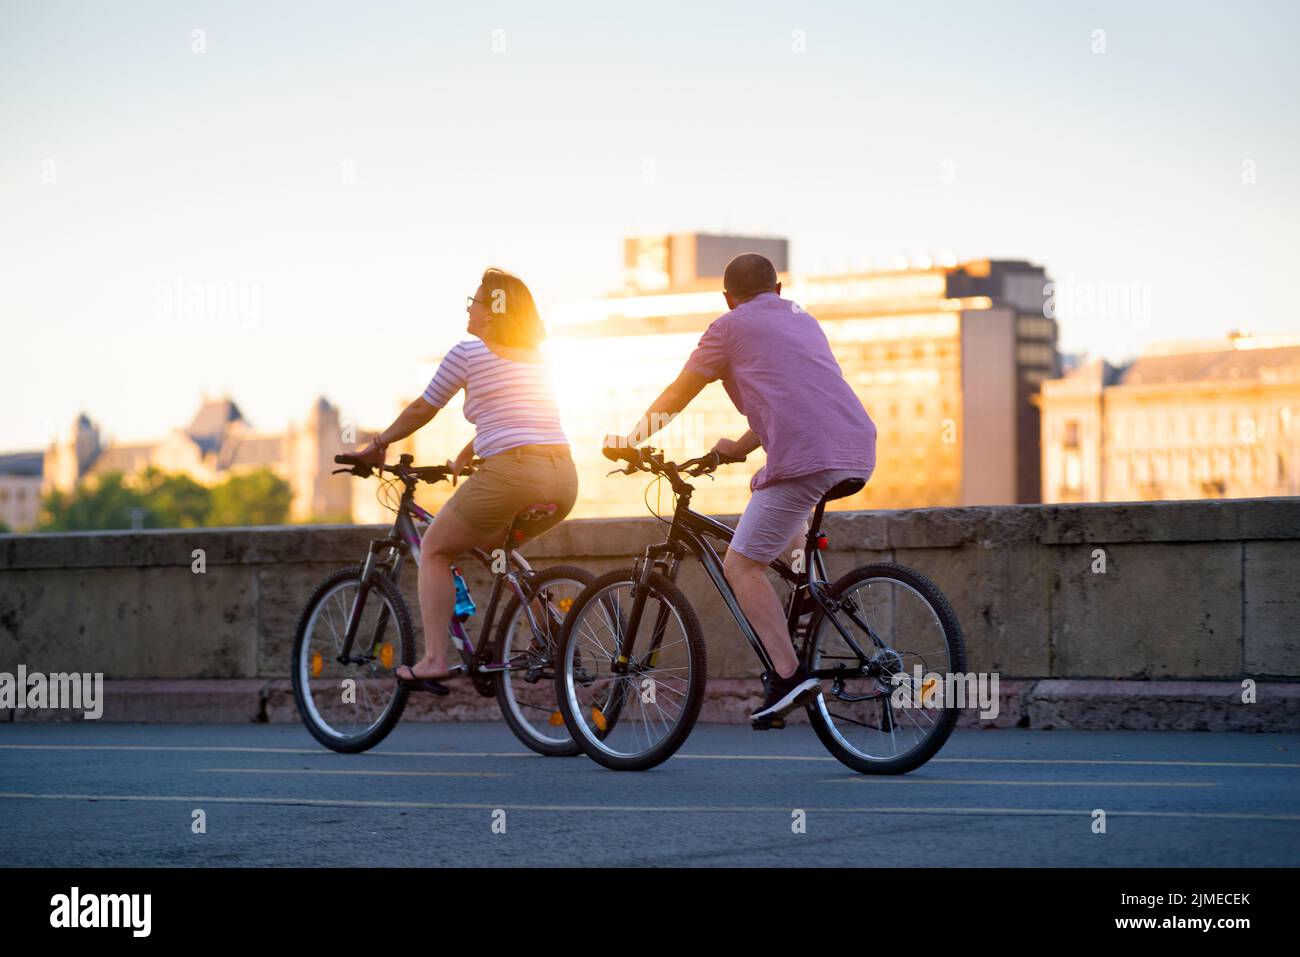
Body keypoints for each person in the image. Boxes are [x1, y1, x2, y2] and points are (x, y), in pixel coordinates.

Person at [605, 253, 876, 721]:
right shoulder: (803, 320)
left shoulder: (727, 327)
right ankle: (808, 590)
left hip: (804, 459)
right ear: (778, 288)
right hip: (856, 447)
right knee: (775, 501)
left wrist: (632, 439)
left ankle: (789, 677)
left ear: (727, 298)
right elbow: (804, 395)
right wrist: (742, 446)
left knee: (742, 566)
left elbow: (679, 393)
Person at [354, 268, 578, 694]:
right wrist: (470, 449)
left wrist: (378, 442)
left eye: (474, 301)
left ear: (492, 313)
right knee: (498, 546)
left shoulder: (468, 352)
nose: (470, 308)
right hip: (563, 477)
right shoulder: (538, 361)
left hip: (512, 472)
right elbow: (521, 416)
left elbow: (424, 408)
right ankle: (548, 631)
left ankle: (435, 659)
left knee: (436, 549)